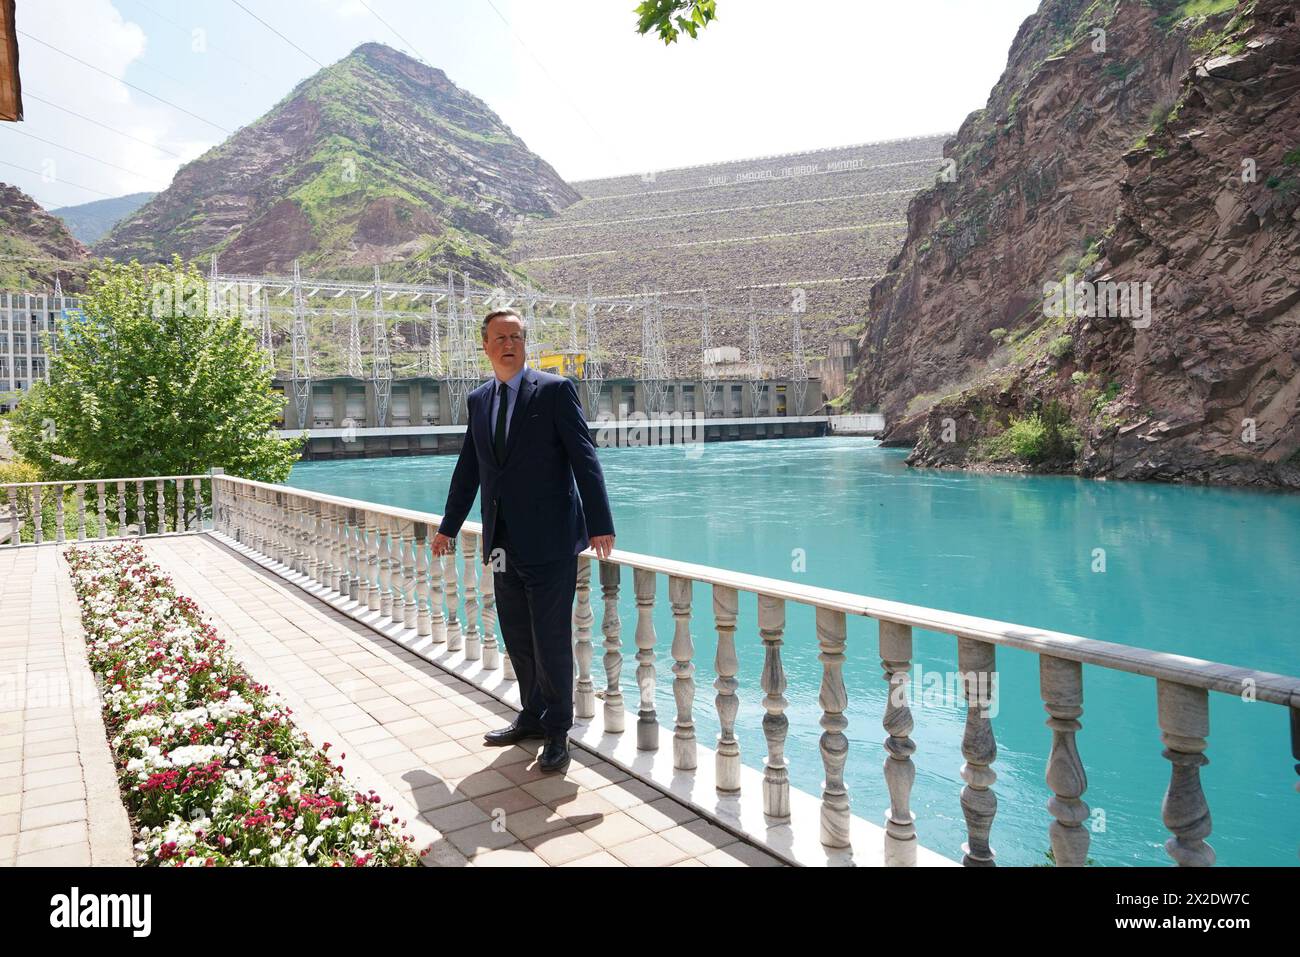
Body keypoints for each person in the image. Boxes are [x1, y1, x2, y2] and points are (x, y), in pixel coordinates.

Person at [432, 307, 615, 774]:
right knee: (516, 632)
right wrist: (449, 526)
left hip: (551, 540)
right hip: (501, 543)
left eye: (516, 336)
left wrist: (600, 521)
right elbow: (470, 467)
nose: (509, 344)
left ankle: (558, 731)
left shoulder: (554, 391)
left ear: (524, 343)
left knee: (550, 636)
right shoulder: (478, 400)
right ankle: (532, 715)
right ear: (485, 346)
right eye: (500, 338)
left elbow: (584, 457)